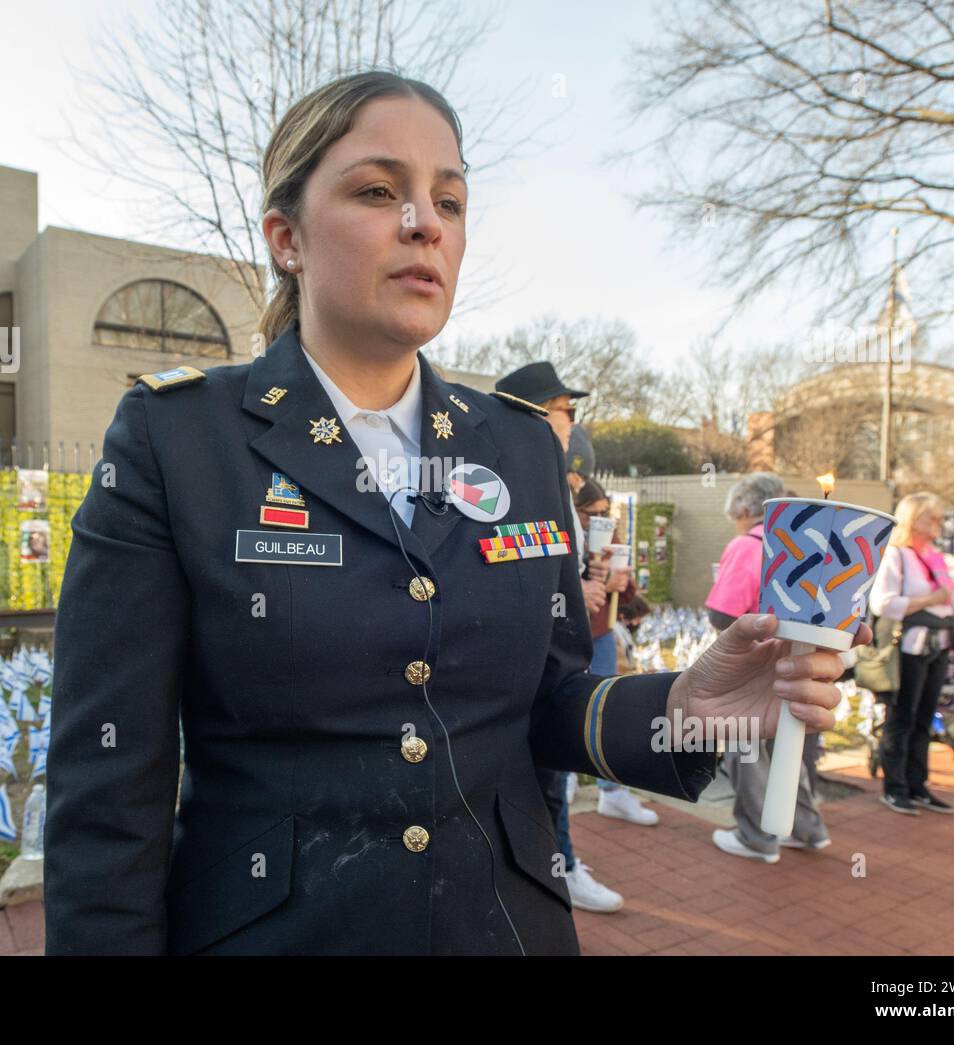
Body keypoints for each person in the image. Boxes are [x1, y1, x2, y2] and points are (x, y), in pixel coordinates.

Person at [44, 70, 862, 956]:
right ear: (287, 237)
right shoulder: (178, 440)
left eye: (450, 198)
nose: (424, 222)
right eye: (377, 190)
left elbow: (547, 699)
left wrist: (692, 706)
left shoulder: (516, 446)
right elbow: (108, 776)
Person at [491, 363, 625, 912]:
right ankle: (555, 870)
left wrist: (596, 580)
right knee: (537, 782)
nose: (573, 423)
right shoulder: (505, 484)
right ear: (535, 413)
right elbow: (507, 570)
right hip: (524, 667)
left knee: (553, 778)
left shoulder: (554, 488)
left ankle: (554, 869)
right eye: (567, 410)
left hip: (559, 661)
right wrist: (575, 594)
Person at [704, 474, 830, 864]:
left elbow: (723, 614)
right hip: (803, 657)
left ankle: (757, 836)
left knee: (746, 746)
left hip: (757, 660)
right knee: (789, 746)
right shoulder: (807, 539)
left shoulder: (748, 544)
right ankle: (807, 827)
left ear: (745, 510)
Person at [868, 492, 954, 816]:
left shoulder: (933, 557)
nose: (939, 524)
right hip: (909, 647)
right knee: (901, 717)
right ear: (913, 518)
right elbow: (883, 604)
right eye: (933, 517)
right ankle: (895, 787)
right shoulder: (897, 555)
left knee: (924, 718)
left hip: (938, 647)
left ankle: (918, 785)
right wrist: (931, 599)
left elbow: (953, 604)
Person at [572, 478, 657, 827]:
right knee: (566, 708)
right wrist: (593, 585)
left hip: (601, 634)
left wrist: (621, 584)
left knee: (606, 709)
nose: (598, 520)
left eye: (605, 513)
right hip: (566, 634)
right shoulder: (561, 527)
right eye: (591, 514)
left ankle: (612, 791)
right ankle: (564, 782)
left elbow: (625, 587)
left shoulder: (608, 536)